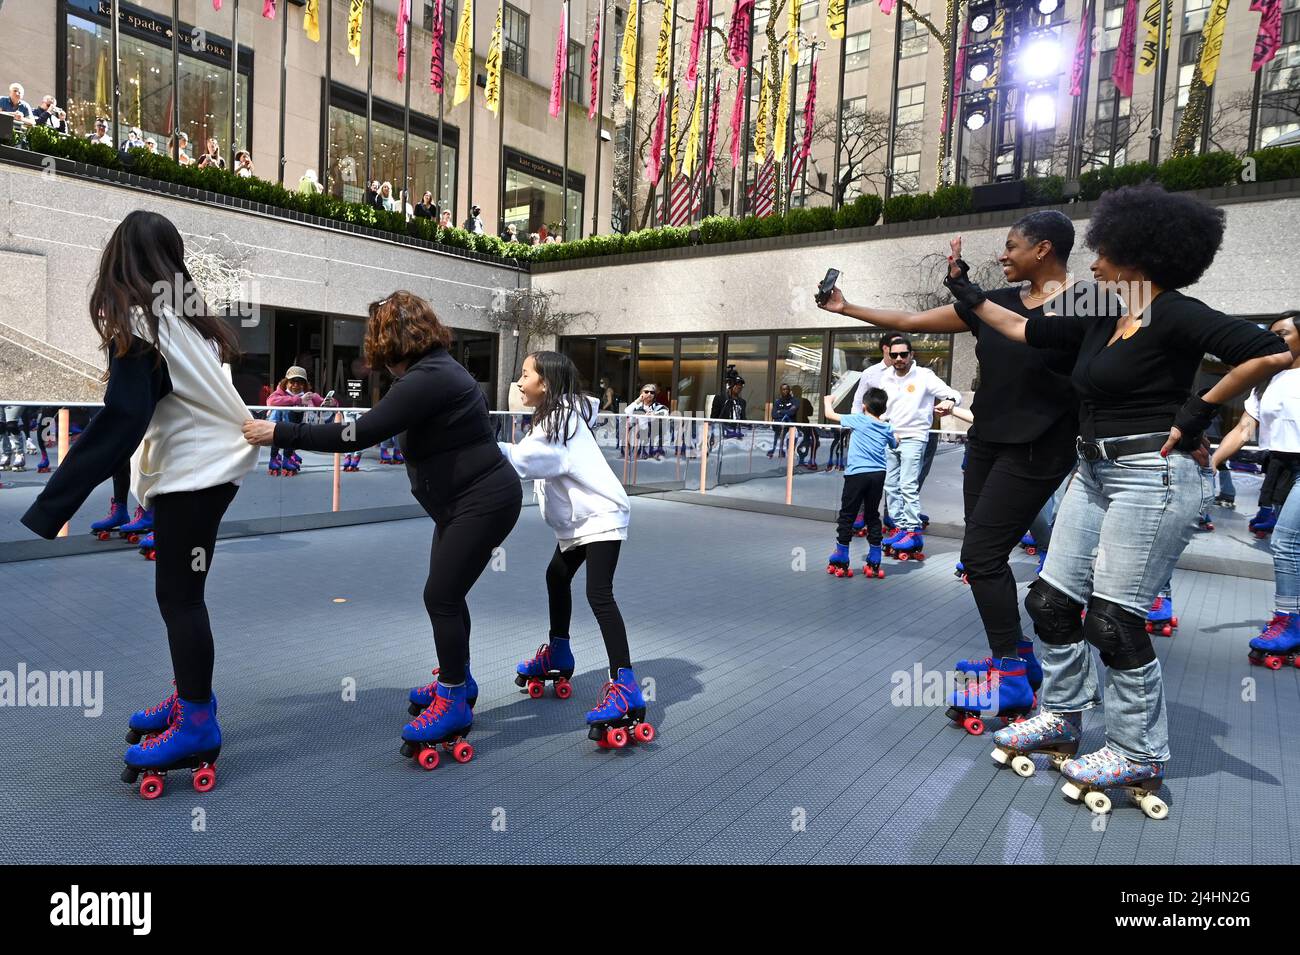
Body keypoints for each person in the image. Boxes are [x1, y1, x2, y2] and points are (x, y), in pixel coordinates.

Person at [946, 184, 1291, 816]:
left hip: (1151, 477)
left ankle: (1138, 753)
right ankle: (1061, 716)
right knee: (1051, 602)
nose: (1094, 262)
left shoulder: (1180, 314)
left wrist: (1200, 410)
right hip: (1093, 469)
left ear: (1135, 258)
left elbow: (1274, 349)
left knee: (1113, 620)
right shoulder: (1102, 307)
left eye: (1103, 252)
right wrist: (967, 295)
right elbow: (1025, 329)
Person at [21, 210, 258, 797]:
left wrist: (50, 507)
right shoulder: (176, 318)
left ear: (119, 258)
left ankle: (198, 721)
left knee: (180, 598)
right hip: (208, 467)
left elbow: (122, 420)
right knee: (180, 595)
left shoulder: (145, 324)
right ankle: (190, 698)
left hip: (200, 472)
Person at [242, 291, 523, 765]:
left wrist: (281, 432)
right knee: (447, 595)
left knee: (441, 596)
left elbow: (359, 433)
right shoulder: (434, 371)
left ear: (393, 342)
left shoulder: (429, 377)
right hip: (464, 502)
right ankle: (460, 679)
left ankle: (453, 697)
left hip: (483, 501)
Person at [820, 211, 1083, 700]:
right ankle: (1016, 655)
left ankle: (1009, 677)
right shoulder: (992, 303)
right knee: (984, 555)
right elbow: (910, 321)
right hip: (986, 442)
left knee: (980, 557)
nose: (1002, 254)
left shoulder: (1087, 301)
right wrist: (846, 306)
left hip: (1040, 447)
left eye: (1011, 245)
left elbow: (1142, 336)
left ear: (1043, 249)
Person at [499, 352, 655, 745]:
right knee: (556, 576)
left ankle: (625, 685)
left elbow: (527, 461)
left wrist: (484, 448)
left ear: (546, 383)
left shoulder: (558, 420)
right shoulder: (562, 414)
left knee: (599, 595)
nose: (519, 383)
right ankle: (559, 652)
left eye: (525, 375)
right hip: (580, 521)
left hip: (600, 516)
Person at [1212, 311, 1300, 668]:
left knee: (1285, 542)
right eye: (1272, 333)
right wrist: (1212, 462)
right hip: (1284, 466)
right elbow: (1243, 430)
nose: (1276, 339)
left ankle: (1290, 621)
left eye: (1283, 333)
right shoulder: (1266, 381)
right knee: (1290, 543)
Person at [873, 337, 959, 559]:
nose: (899, 359)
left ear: (911, 355)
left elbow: (952, 394)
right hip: (890, 437)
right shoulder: (885, 378)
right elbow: (880, 407)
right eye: (894, 355)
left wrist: (949, 401)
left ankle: (913, 530)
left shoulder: (924, 376)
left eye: (903, 354)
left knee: (907, 485)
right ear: (889, 356)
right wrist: (879, 421)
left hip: (914, 437)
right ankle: (900, 528)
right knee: (891, 485)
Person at [822, 388, 898, 579]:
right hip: (878, 475)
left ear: (864, 406)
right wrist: (896, 437)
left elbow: (829, 414)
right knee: (872, 515)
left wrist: (827, 400)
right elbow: (895, 444)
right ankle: (874, 556)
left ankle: (841, 554)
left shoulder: (858, 419)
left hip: (857, 474)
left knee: (848, 514)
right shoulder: (886, 427)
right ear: (883, 409)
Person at [266, 367, 325, 476]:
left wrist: (331, 402)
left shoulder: (308, 395)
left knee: (292, 431)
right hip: (280, 428)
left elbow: (325, 402)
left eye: (300, 383)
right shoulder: (281, 393)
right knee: (283, 426)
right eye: (292, 382)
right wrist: (298, 400)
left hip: (299, 429)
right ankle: (276, 458)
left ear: (305, 384)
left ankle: (288, 455)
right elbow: (270, 401)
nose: (296, 385)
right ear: (286, 382)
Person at [626, 383, 668, 459]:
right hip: (638, 442)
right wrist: (638, 400)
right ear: (641, 393)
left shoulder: (658, 407)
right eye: (646, 392)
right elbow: (627, 411)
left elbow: (665, 413)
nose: (649, 394)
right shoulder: (637, 407)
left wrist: (654, 415)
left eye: (652, 392)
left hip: (654, 444)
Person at [769, 383, 797, 458]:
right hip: (778, 426)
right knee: (777, 435)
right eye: (783, 389)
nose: (785, 391)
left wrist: (780, 411)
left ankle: (783, 452)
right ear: (780, 391)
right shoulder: (777, 402)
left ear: (789, 390)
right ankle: (775, 451)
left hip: (790, 427)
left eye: (787, 389)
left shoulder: (794, 401)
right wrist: (785, 413)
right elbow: (774, 415)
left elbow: (792, 413)